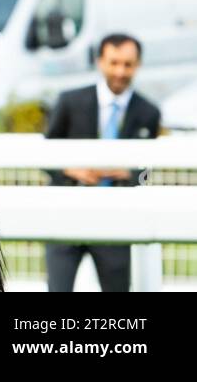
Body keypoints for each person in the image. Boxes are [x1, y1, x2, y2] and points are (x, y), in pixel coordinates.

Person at [44, 32, 161, 292]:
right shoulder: (69, 101)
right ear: (100, 62)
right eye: (114, 62)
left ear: (137, 65)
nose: (120, 71)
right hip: (67, 217)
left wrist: (128, 173)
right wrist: (73, 170)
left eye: (127, 64)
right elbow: (46, 155)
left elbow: (147, 170)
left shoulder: (148, 112)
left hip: (116, 220)